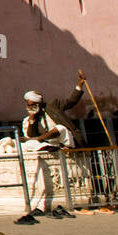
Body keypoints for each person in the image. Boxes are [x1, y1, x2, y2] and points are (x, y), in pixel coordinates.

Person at [21, 74, 85, 208]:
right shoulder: (31, 118)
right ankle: (49, 148)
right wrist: (32, 119)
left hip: (64, 139)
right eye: (28, 105)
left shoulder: (53, 105)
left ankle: (64, 148)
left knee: (61, 128)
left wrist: (80, 85)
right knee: (26, 143)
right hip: (48, 143)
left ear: (38, 103)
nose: (30, 107)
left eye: (32, 105)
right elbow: (31, 135)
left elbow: (71, 101)